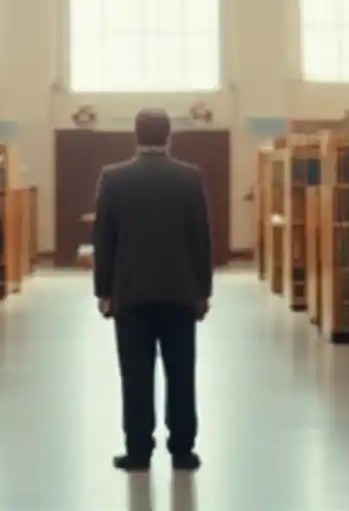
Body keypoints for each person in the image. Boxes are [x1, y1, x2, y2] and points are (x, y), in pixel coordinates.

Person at [93, 109, 213, 473]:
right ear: (169, 136)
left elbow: (104, 240)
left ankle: (139, 450)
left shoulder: (113, 179)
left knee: (135, 374)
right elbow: (200, 239)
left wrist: (104, 290)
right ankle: (182, 450)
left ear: (135, 135)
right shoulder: (189, 179)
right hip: (179, 292)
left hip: (131, 293)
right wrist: (202, 290)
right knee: (181, 372)